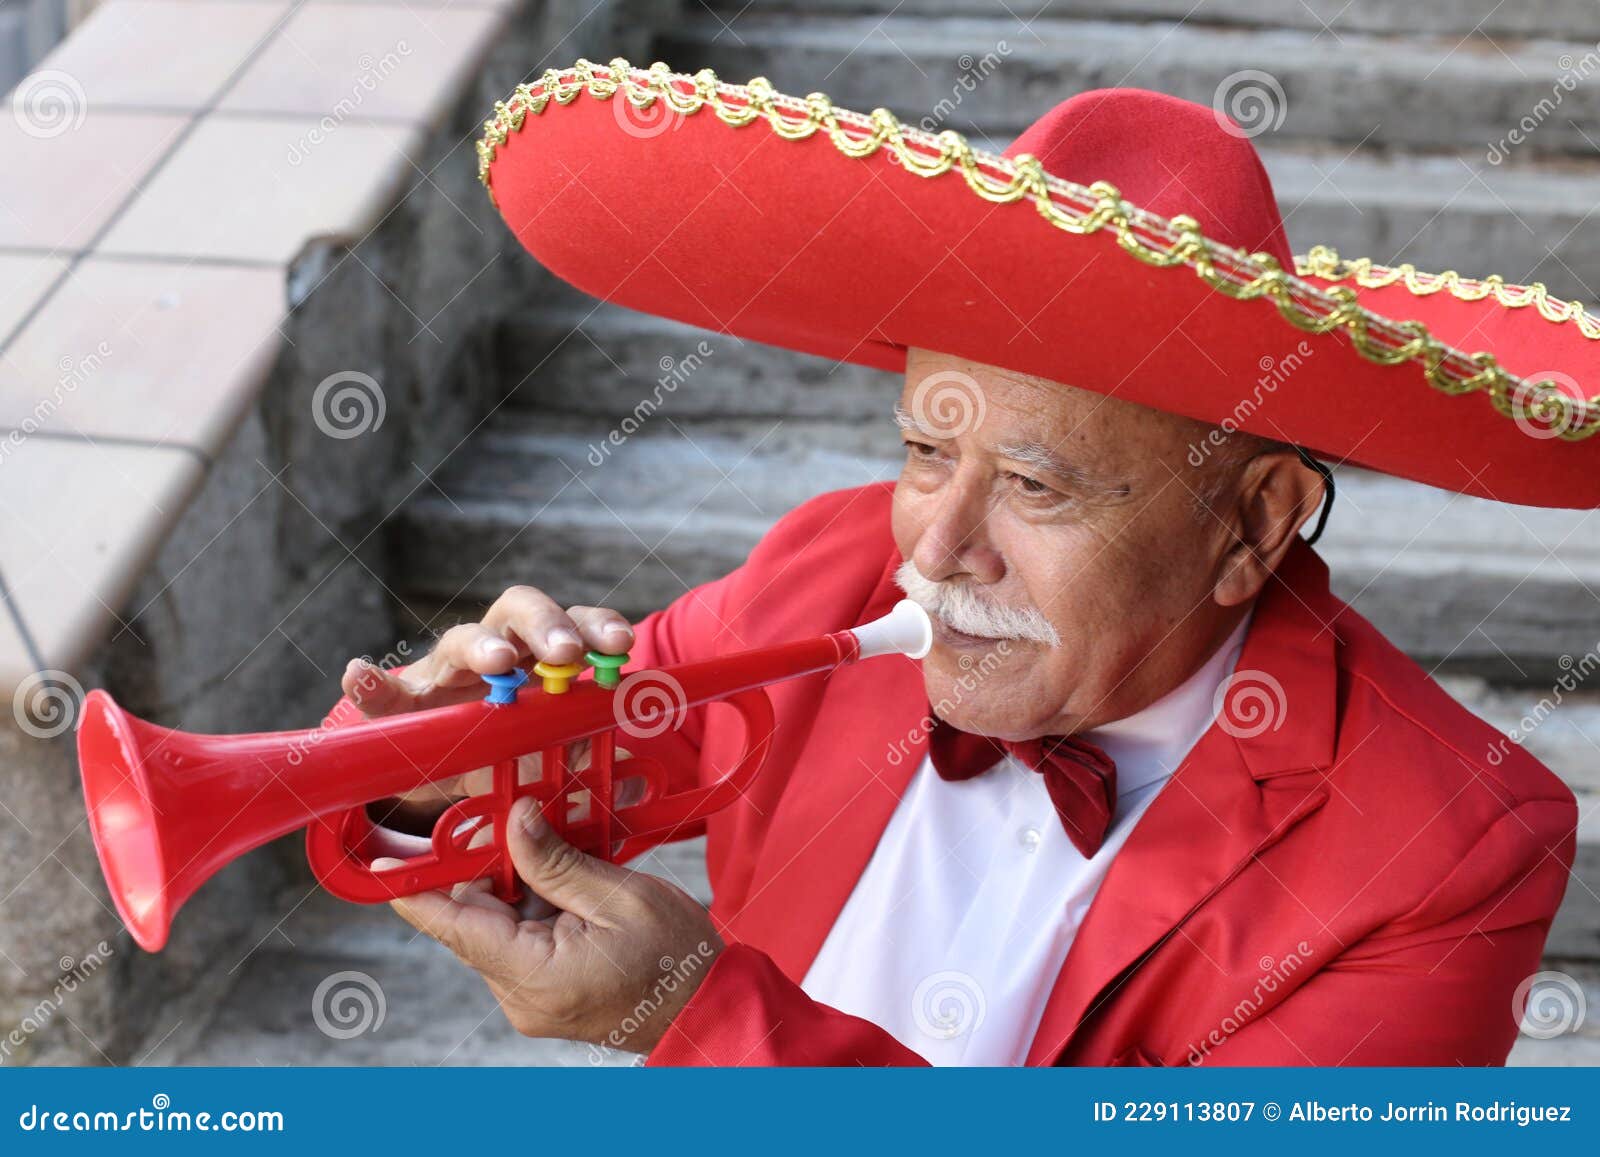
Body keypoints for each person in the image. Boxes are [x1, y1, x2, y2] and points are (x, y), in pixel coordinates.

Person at [335, 62, 1589, 1065]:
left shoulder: (1447, 851)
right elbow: (581, 763)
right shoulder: (835, 565)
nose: (931, 551)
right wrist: (431, 756)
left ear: (1253, 525)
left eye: (1036, 484)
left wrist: (697, 1017)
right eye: (928, 449)